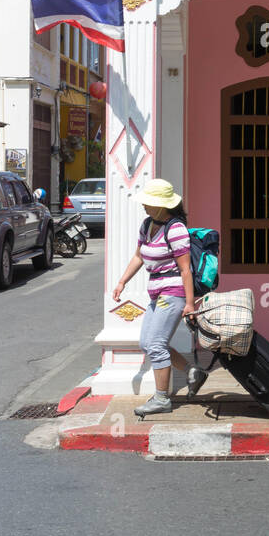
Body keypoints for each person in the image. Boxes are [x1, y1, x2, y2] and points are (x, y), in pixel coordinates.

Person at [112, 178, 207, 416]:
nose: (145, 206)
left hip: (172, 293)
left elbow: (186, 270)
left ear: (163, 206)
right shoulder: (147, 225)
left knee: (155, 344)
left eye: (150, 203)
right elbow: (139, 256)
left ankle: (162, 398)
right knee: (148, 343)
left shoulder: (175, 229)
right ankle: (193, 372)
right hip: (157, 292)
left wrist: (188, 303)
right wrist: (122, 281)